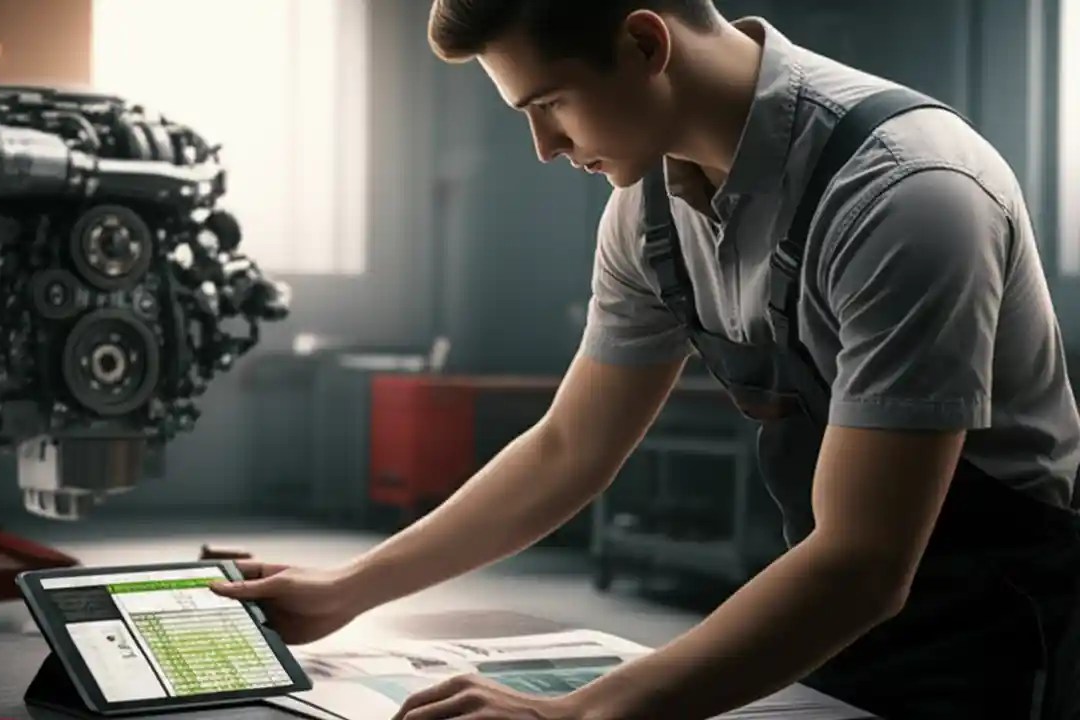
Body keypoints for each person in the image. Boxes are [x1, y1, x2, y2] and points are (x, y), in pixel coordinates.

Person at [210, 2, 1080, 718]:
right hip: (824, 631)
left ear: (644, 43)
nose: (544, 146)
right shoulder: (647, 210)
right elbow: (568, 449)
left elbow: (863, 561)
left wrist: (579, 714)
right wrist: (347, 588)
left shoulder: (908, 195)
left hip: (996, 639)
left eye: (550, 103)